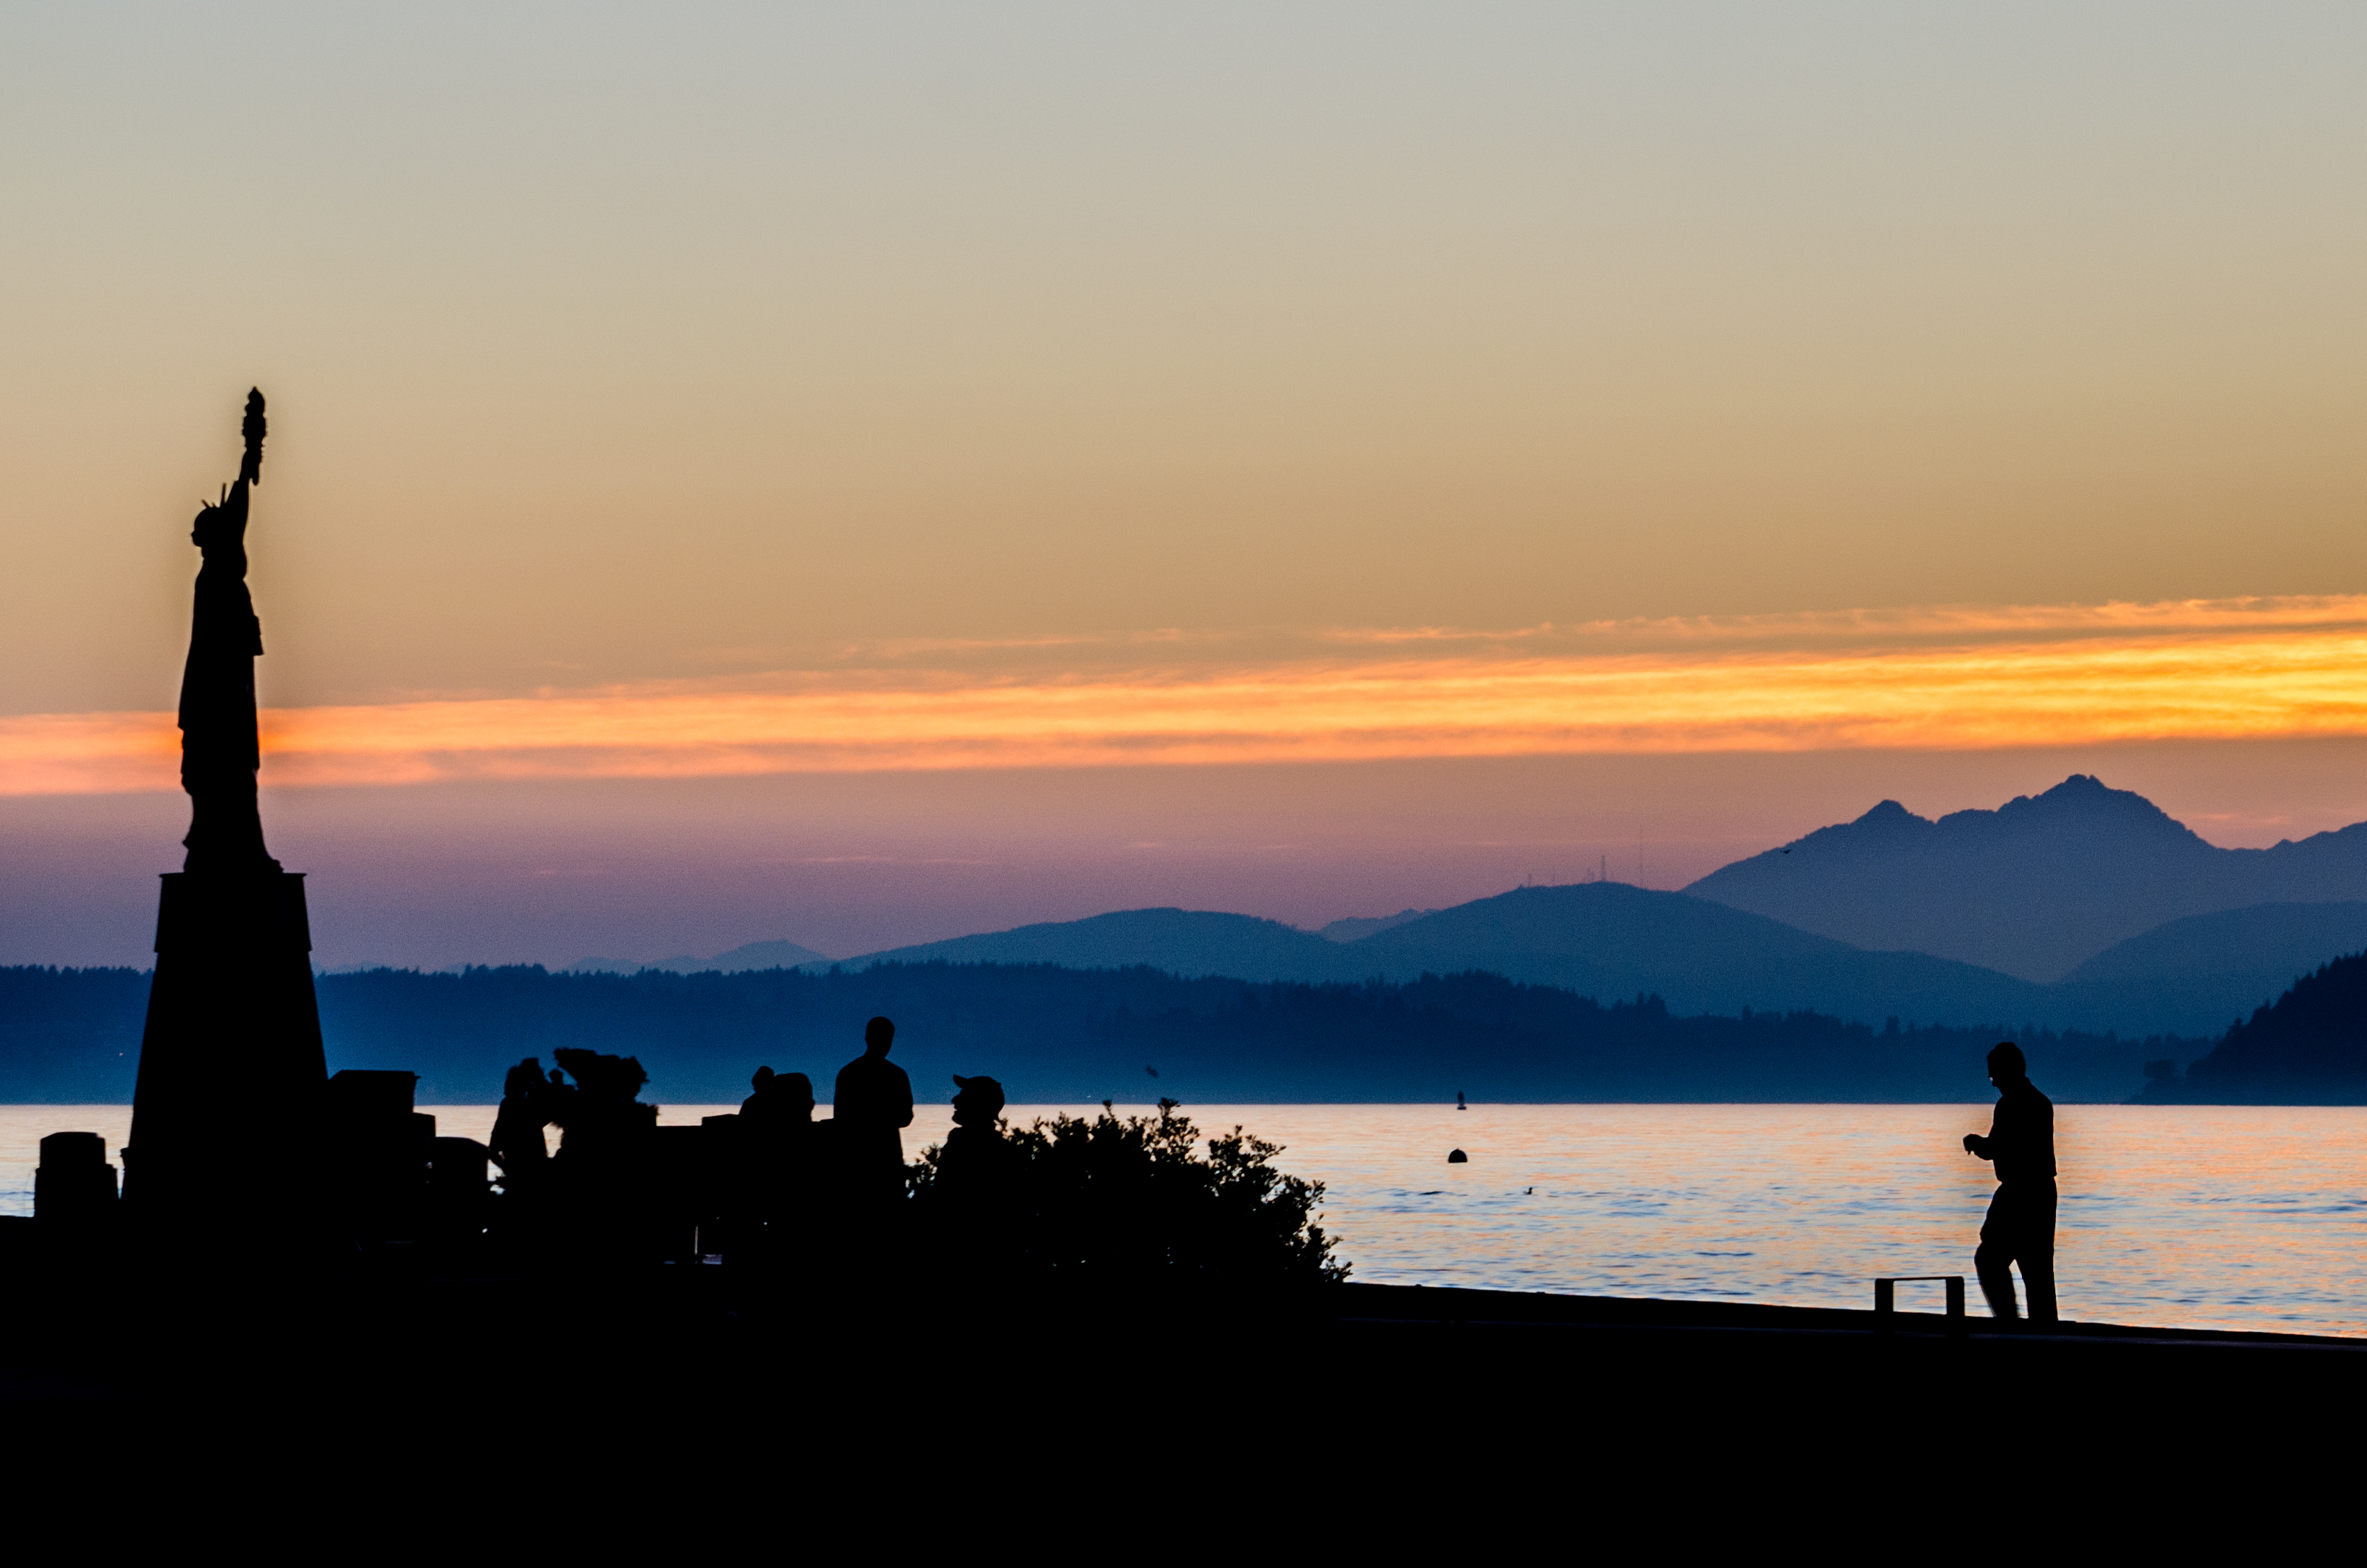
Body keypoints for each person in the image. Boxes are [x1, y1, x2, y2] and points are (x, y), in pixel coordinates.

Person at [1962, 1040, 2057, 1324]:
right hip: (2040, 1193)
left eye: (1995, 1075)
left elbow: (1999, 1148)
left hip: (2021, 1193)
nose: (1993, 1083)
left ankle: (2009, 1323)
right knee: (2037, 1272)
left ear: (2009, 1071)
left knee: (1990, 1260)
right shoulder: (2038, 1102)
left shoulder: (2012, 1105)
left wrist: (1976, 1143)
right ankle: (2042, 1330)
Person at [832, 1017, 914, 1206]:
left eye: (889, 1039)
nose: (887, 1044)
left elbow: (841, 1121)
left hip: (863, 1165)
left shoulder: (849, 1073)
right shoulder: (896, 1075)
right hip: (878, 1164)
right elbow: (905, 1117)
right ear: (869, 1038)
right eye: (885, 1038)